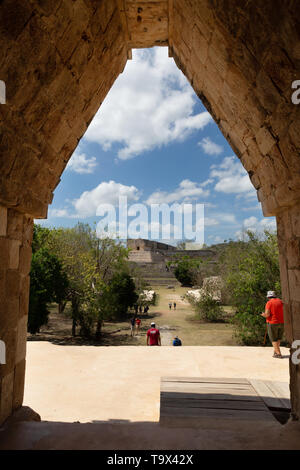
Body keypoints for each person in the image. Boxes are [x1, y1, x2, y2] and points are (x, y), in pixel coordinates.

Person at [261, 291, 284, 358]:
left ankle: (278, 353)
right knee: (278, 338)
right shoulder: (280, 301)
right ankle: (276, 352)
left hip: (272, 323)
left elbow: (267, 314)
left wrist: (263, 314)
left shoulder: (269, 303)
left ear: (268, 297)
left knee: (273, 339)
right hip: (282, 322)